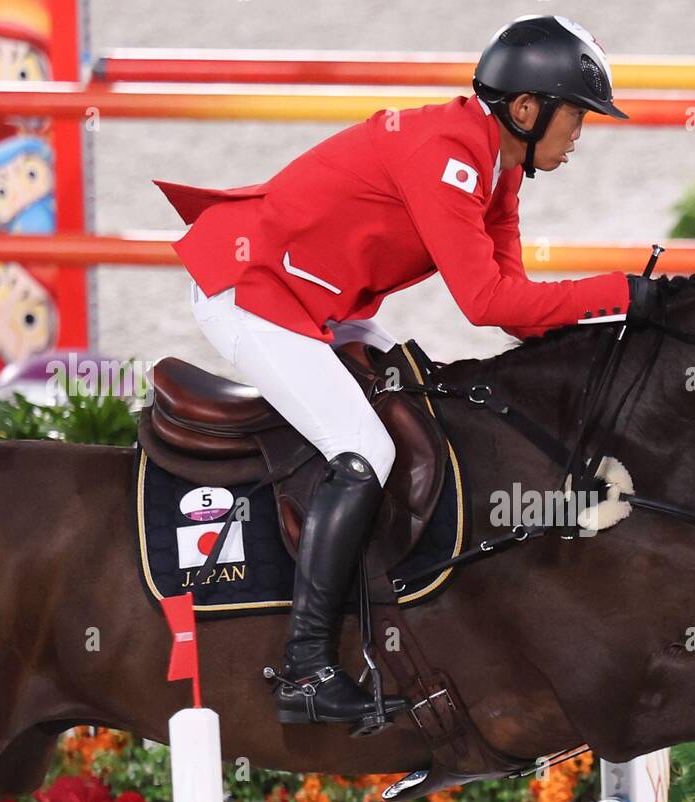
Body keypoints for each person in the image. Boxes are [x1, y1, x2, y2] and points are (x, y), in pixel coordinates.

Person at [154, 14, 662, 731]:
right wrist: (616, 292)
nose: (579, 133)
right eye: (576, 117)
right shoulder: (449, 153)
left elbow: (515, 314)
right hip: (254, 289)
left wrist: (616, 317)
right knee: (367, 454)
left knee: (423, 409)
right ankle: (305, 668)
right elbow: (484, 301)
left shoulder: (499, 169)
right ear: (526, 110)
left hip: (322, 299)